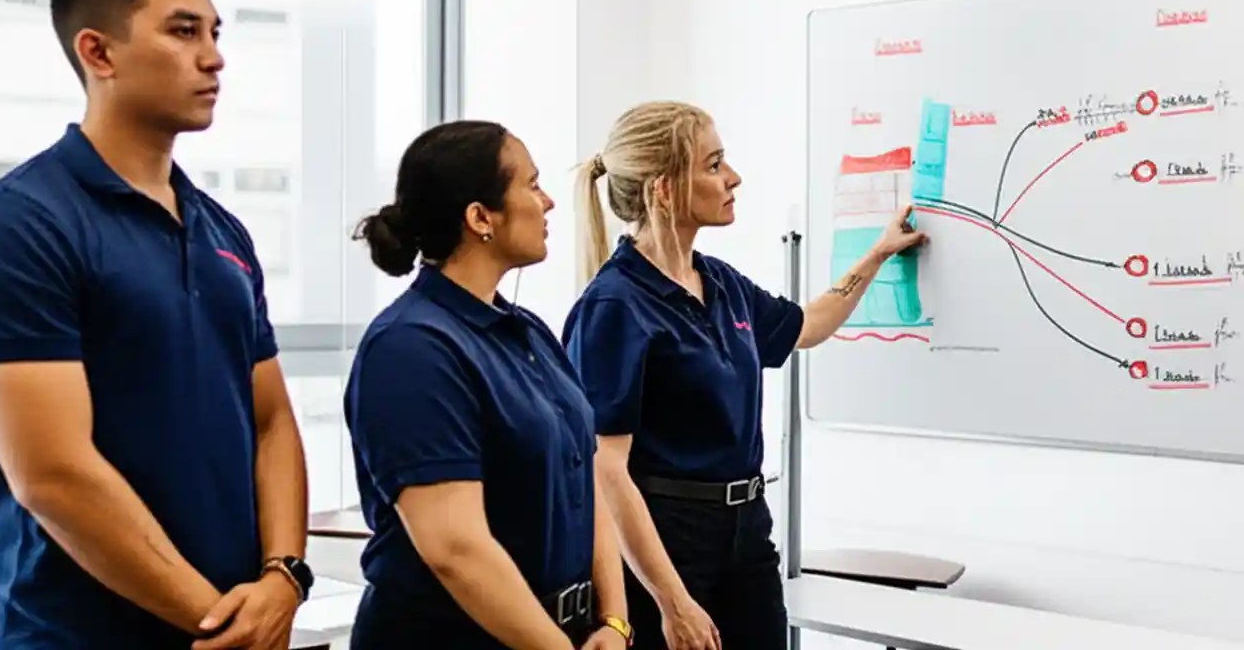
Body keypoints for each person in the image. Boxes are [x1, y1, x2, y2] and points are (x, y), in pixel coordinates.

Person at [0, 0, 311, 648]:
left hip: (233, 625)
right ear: (99, 53)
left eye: (215, 34)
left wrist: (284, 576)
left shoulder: (225, 233)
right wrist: (223, 624)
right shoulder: (16, 223)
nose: (213, 56)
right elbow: (53, 475)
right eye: (183, 31)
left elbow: (272, 420)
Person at [564, 101, 926, 649]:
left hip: (746, 532)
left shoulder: (719, 282)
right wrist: (672, 600)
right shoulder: (614, 305)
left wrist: (875, 256)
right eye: (713, 165)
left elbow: (807, 325)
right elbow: (607, 472)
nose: (733, 178)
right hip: (669, 540)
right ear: (664, 189)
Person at [343, 119, 633, 649]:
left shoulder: (529, 333)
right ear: (480, 217)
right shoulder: (411, 347)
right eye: (531, 184)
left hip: (567, 630)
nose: (547, 202)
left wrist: (613, 621)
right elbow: (455, 548)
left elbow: (584, 480)